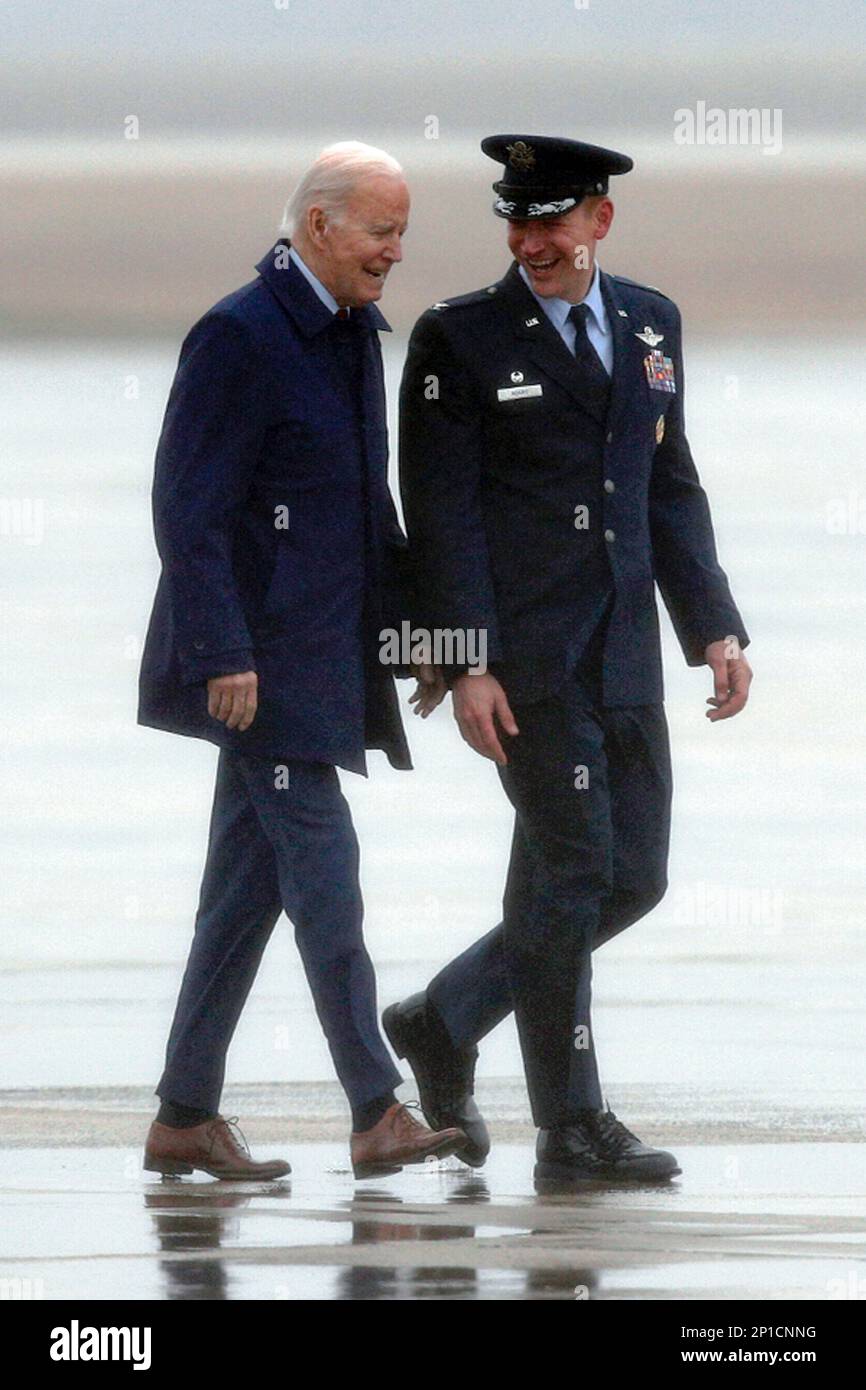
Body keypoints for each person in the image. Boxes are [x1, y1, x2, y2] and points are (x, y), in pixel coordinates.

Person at [387, 133, 753, 1188]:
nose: (529, 241)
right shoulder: (457, 339)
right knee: (576, 870)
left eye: (549, 221)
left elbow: (667, 484)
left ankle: (442, 1018)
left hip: (626, 655)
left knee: (627, 876)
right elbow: (439, 516)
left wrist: (713, 627)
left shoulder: (649, 322)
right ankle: (570, 1124)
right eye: (516, 220)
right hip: (526, 667)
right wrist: (462, 664)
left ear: (598, 219)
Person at [138, 142, 465, 1181]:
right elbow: (184, 513)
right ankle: (376, 1105)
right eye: (380, 230)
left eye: (401, 230)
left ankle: (185, 1114)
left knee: (242, 896)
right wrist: (221, 650)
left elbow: (372, 516)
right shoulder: (238, 336)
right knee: (327, 880)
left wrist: (421, 638)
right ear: (319, 226)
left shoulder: (350, 337)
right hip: (261, 674)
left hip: (325, 663)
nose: (395, 253)